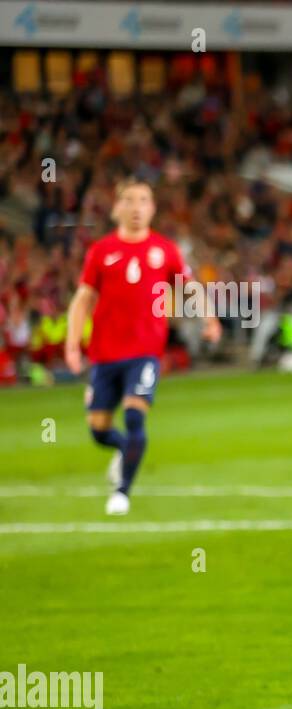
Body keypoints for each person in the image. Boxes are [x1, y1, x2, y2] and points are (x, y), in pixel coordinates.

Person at [64, 179, 220, 515]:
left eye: (144, 200)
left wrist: (209, 318)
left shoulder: (165, 250)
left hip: (145, 353)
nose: (137, 207)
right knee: (99, 431)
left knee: (135, 416)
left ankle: (122, 492)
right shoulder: (101, 251)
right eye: (130, 200)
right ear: (117, 208)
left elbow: (188, 286)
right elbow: (83, 299)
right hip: (104, 354)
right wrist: (72, 344)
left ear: (152, 208)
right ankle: (125, 450)